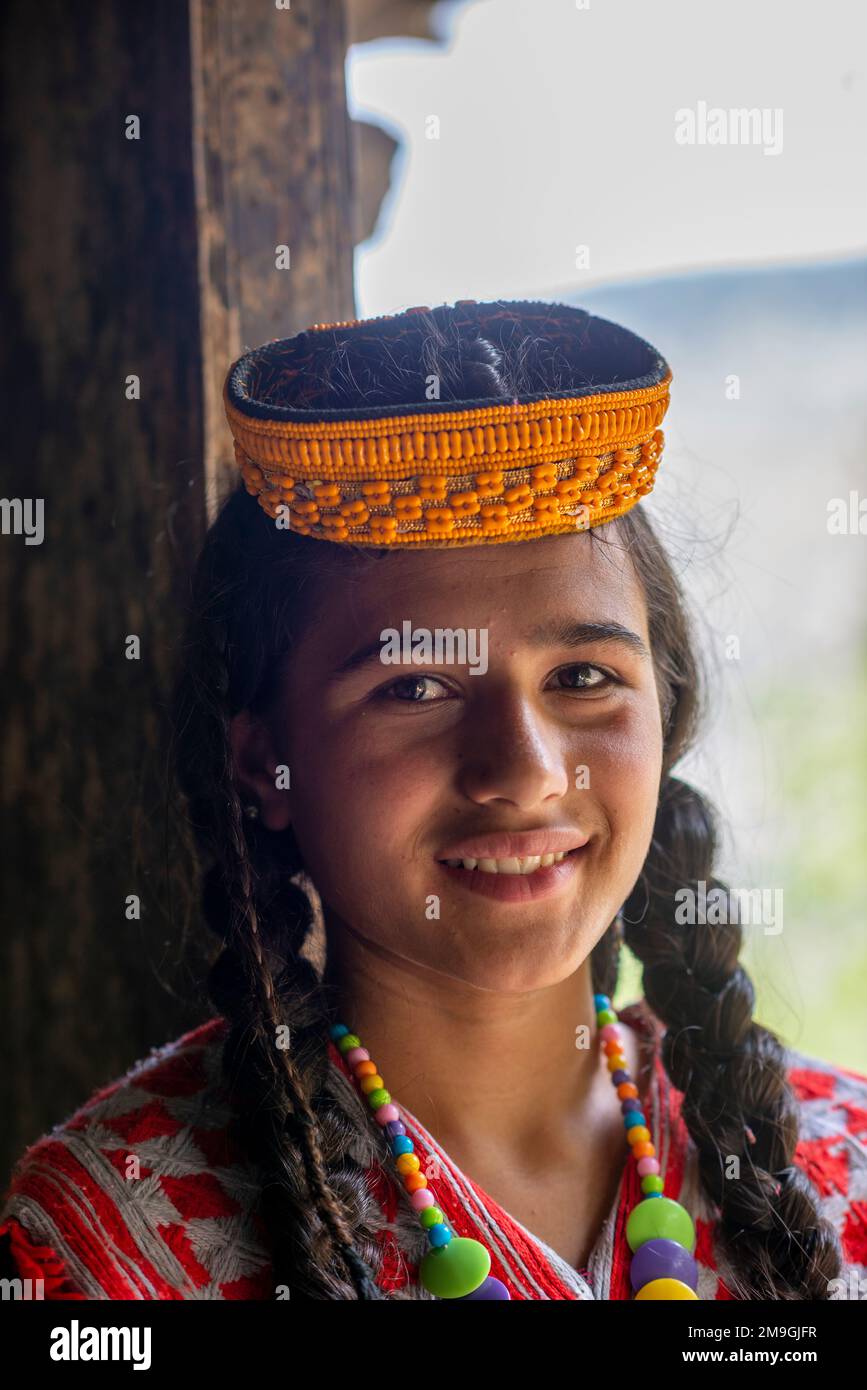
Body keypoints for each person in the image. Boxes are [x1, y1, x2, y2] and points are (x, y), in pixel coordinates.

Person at [2, 300, 865, 1300]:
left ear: (664, 711)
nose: (528, 768)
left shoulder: (837, 1171)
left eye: (583, 677)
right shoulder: (109, 1247)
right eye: (413, 688)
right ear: (262, 761)